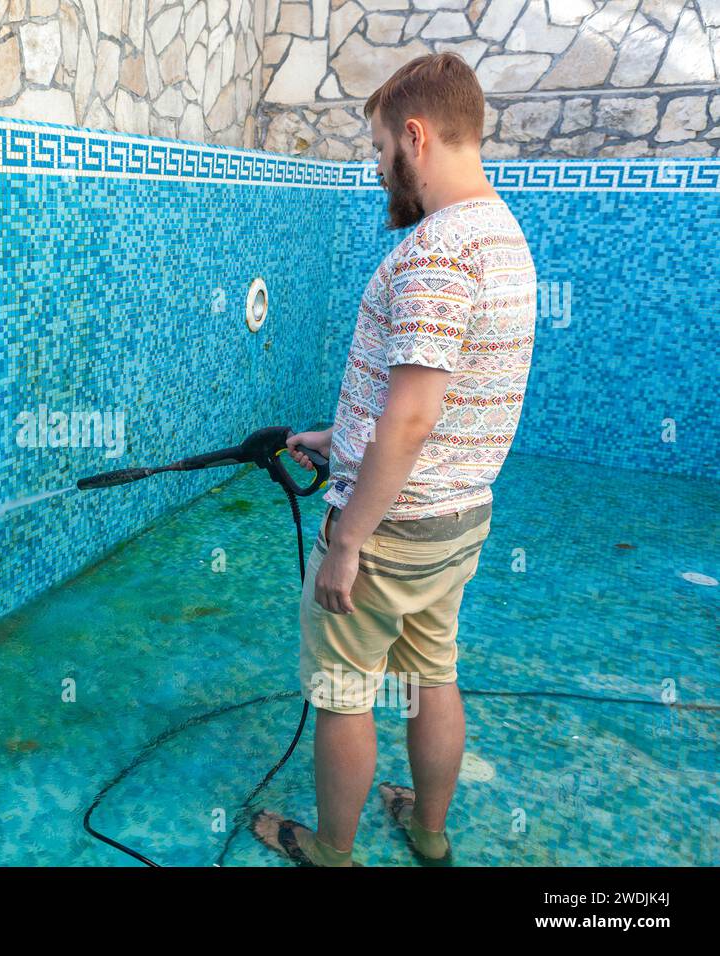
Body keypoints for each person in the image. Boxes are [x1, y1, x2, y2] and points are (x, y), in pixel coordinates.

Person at [253, 52, 537, 867]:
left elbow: (411, 421)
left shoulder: (437, 252)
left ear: (416, 136)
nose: (381, 169)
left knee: (345, 697)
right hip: (459, 521)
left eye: (381, 151)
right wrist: (334, 441)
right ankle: (429, 832)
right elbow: (433, 399)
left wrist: (346, 542)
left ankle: (331, 850)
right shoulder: (504, 235)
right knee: (432, 676)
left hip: (389, 530)